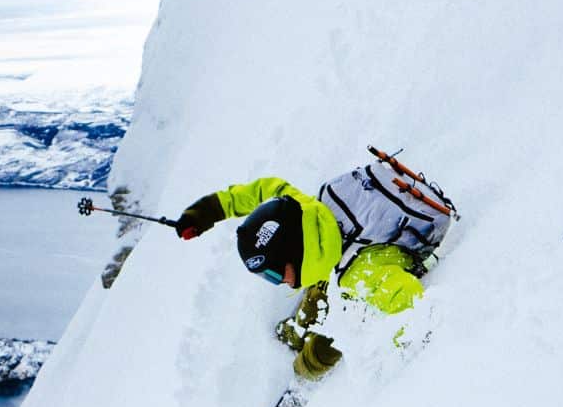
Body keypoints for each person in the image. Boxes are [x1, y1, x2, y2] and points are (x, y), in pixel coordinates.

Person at [172, 158, 455, 379]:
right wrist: (208, 211)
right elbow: (259, 192)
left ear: (294, 252)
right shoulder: (301, 207)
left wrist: (387, 358)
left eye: (273, 273)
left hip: (368, 265)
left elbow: (415, 308)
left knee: (325, 342)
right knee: (317, 294)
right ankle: (297, 330)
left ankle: (304, 371)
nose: (277, 282)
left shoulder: (361, 276)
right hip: (335, 253)